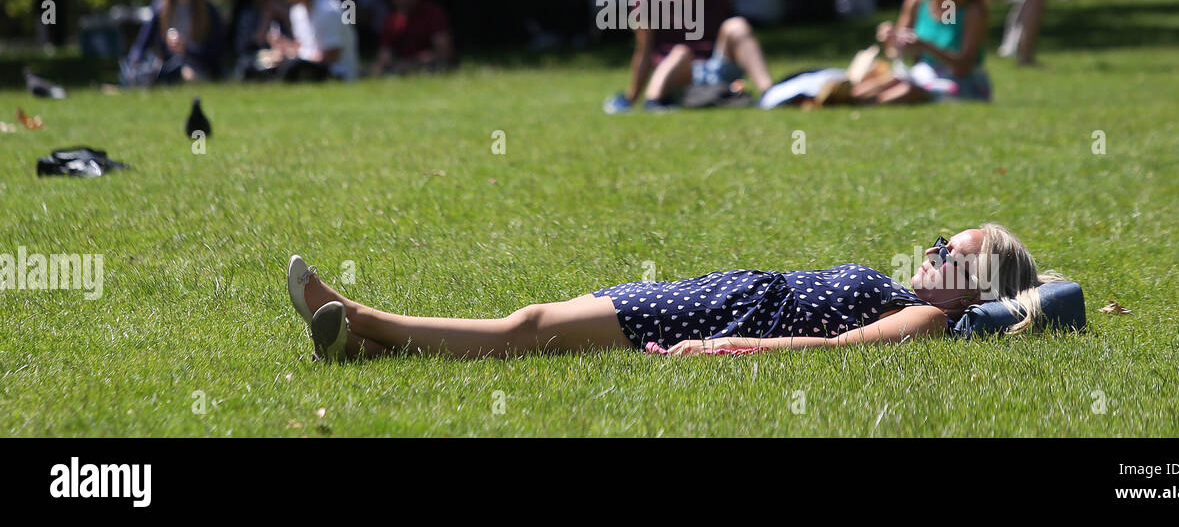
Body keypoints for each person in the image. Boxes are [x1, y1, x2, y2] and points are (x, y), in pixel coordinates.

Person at [287, 223, 1071, 361]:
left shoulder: (926, 321)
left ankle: (358, 316)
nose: (934, 251)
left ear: (974, 294)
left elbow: (833, 348)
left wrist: (727, 347)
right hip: (718, 292)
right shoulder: (915, 297)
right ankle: (357, 344)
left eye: (952, 255)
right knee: (535, 323)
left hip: (725, 315)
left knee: (528, 326)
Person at [605, 0, 775, 112]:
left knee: (737, 25)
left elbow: (729, 43)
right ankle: (653, 101)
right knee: (681, 52)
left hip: (713, 69)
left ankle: (770, 93)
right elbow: (644, 52)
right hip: (676, 72)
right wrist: (632, 96)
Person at [821, 0, 990, 106]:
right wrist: (891, 38)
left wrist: (925, 46)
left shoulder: (968, 10)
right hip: (924, 74)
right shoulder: (918, 1)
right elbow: (896, 52)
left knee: (910, 88)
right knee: (889, 82)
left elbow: (964, 66)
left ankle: (862, 104)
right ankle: (847, 99)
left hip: (960, 81)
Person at [127, 0, 225, 83]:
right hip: (166, 69)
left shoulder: (208, 10)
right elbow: (140, 46)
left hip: (198, 68)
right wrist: (134, 63)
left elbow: (216, 52)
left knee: (187, 75)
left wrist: (186, 49)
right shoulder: (159, 8)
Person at [258, 0, 359, 81]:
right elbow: (305, 47)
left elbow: (331, 57)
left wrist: (293, 56)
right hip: (309, 66)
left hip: (336, 73)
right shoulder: (297, 11)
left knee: (293, 67)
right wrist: (285, 46)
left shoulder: (329, 10)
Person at [371, 0, 454, 75]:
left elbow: (444, 53)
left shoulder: (433, 13)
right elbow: (384, 55)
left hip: (430, 67)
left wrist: (410, 63)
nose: (402, 0)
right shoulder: (392, 20)